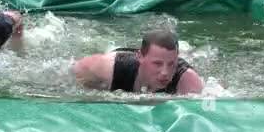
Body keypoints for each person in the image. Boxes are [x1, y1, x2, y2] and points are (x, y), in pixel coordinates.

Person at [72, 28, 204, 95]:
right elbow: (76, 71)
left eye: (171, 64)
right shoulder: (110, 67)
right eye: (157, 64)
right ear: (140, 57)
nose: (165, 72)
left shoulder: (187, 80)